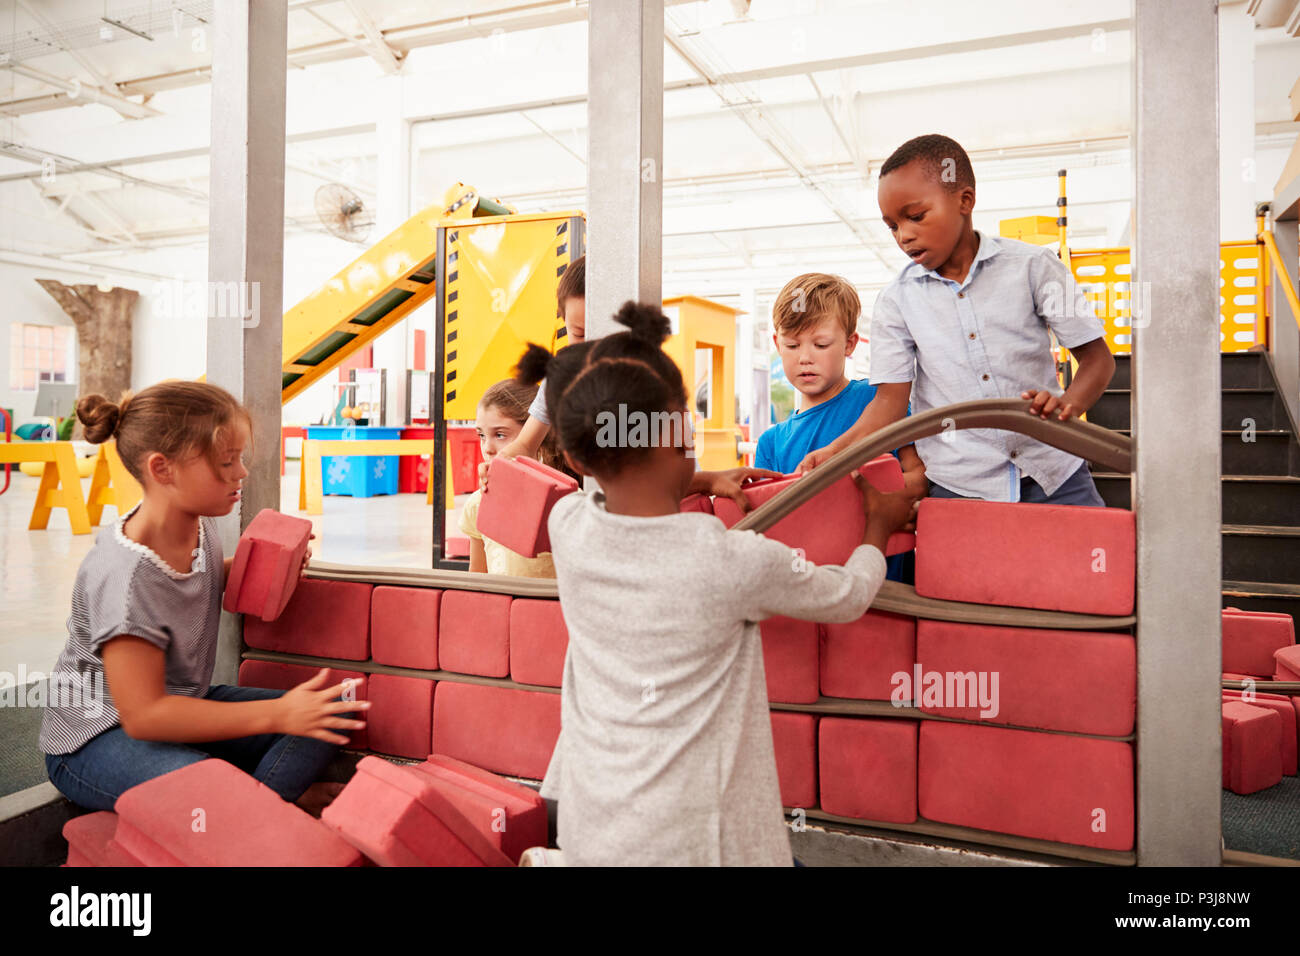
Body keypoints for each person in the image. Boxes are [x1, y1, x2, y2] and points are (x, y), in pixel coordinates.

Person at [535, 301, 920, 866]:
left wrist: (702, 476)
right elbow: (846, 595)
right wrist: (876, 529)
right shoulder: (730, 559)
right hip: (702, 844)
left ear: (574, 456)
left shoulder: (568, 526)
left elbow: (604, 478)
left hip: (593, 825)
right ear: (684, 437)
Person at [39, 381, 367, 812]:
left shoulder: (198, 523)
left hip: (183, 706)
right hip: (98, 738)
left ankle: (257, 803)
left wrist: (265, 568)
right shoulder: (123, 580)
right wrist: (279, 713)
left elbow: (194, 579)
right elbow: (145, 716)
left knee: (337, 707)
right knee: (209, 787)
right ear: (163, 470)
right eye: (225, 462)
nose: (242, 472)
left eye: (240, 458)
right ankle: (260, 807)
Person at [796, 133, 1116, 506]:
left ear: (965, 200)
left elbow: (1098, 361)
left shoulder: (1035, 268)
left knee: (1088, 563)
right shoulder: (896, 301)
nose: (904, 235)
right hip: (961, 487)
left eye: (915, 216)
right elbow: (889, 403)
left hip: (1055, 473)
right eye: (893, 226)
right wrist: (837, 451)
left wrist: (1069, 405)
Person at [756, 272, 926, 581]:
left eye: (821, 344)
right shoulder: (771, 442)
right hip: (812, 592)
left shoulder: (879, 404)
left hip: (885, 592)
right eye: (792, 345)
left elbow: (917, 473)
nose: (805, 358)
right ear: (776, 344)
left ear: (850, 344)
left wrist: (897, 504)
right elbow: (766, 523)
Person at [459, 378, 568, 577]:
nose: (487, 448)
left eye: (500, 435)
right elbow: (477, 576)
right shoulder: (477, 504)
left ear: (537, 433)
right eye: (481, 435)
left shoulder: (566, 503)